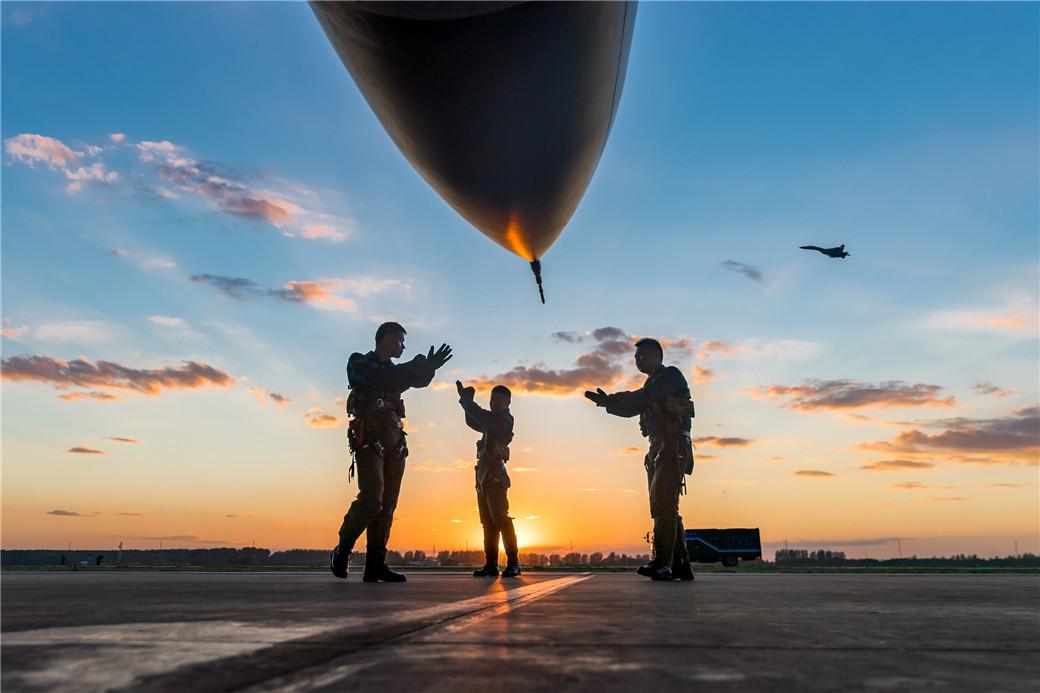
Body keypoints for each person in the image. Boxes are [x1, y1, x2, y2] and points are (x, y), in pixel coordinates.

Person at [330, 322, 453, 582]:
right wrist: (417, 365)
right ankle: (343, 549)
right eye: (400, 341)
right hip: (370, 437)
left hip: (395, 440)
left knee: (387, 504)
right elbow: (382, 378)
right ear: (384, 339)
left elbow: (417, 381)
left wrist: (428, 368)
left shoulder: (397, 371)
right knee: (371, 498)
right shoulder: (359, 362)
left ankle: (375, 565)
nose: (403, 346)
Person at [585, 338, 695, 581]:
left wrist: (611, 399)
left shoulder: (669, 377)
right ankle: (680, 565)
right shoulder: (652, 383)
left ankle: (662, 564)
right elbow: (633, 408)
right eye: (635, 357)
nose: (637, 360)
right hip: (658, 448)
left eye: (642, 355)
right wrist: (608, 403)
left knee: (663, 505)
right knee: (665, 506)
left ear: (658, 356)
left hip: (672, 447)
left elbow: (643, 398)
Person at [456, 380, 520, 578]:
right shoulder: (489, 421)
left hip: (496, 476)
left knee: (501, 518)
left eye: (499, 400)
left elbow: (483, 418)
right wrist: (467, 403)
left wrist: (467, 401)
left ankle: (513, 563)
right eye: (492, 399)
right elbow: (473, 421)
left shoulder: (504, 419)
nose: (494, 403)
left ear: (507, 403)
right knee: (488, 523)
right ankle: (491, 564)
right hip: (483, 477)